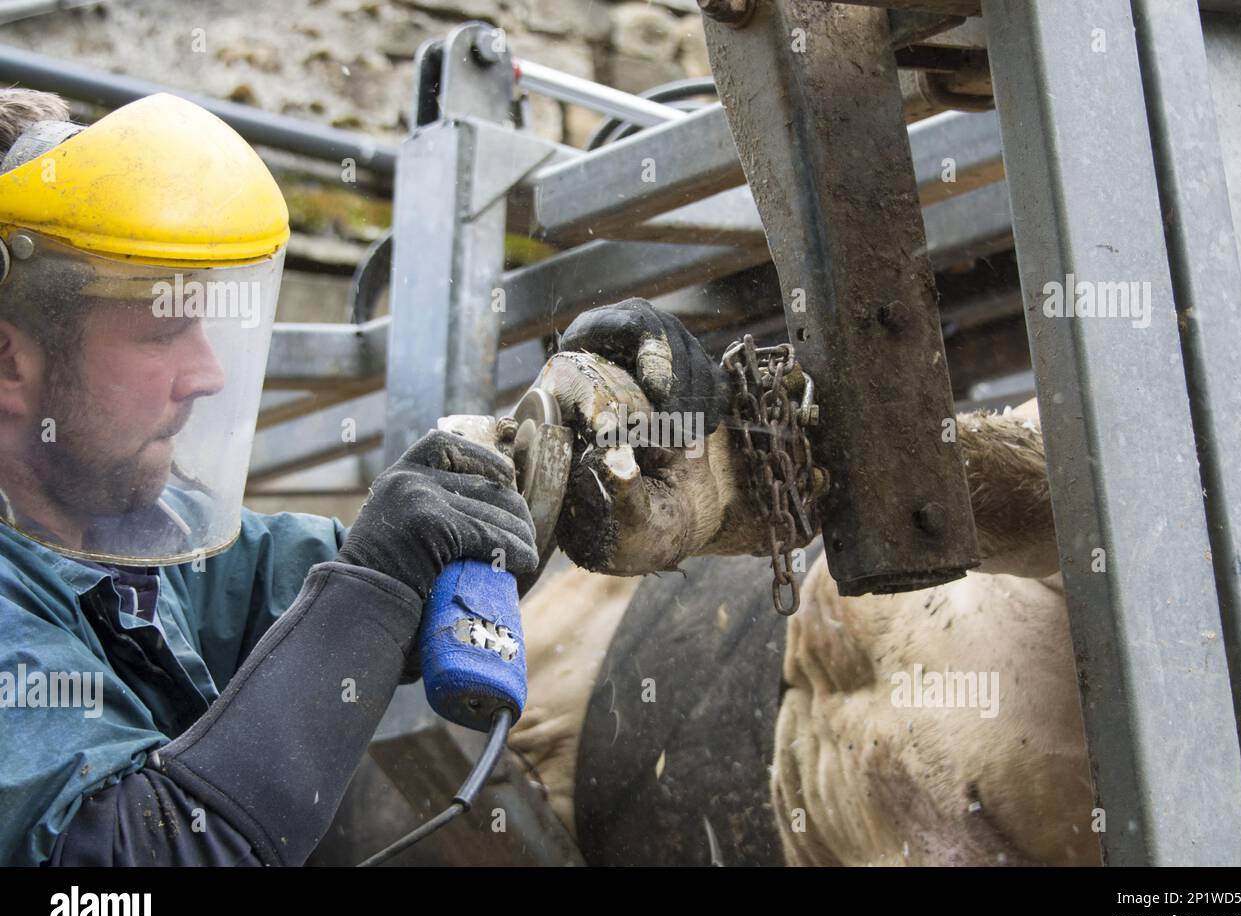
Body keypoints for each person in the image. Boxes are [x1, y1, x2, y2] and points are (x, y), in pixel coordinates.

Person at [0, 89, 729, 867]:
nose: (208, 373)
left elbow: (371, 590)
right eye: (163, 330)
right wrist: (379, 576)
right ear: (10, 360)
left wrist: (558, 437)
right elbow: (130, 869)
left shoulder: (135, 540)